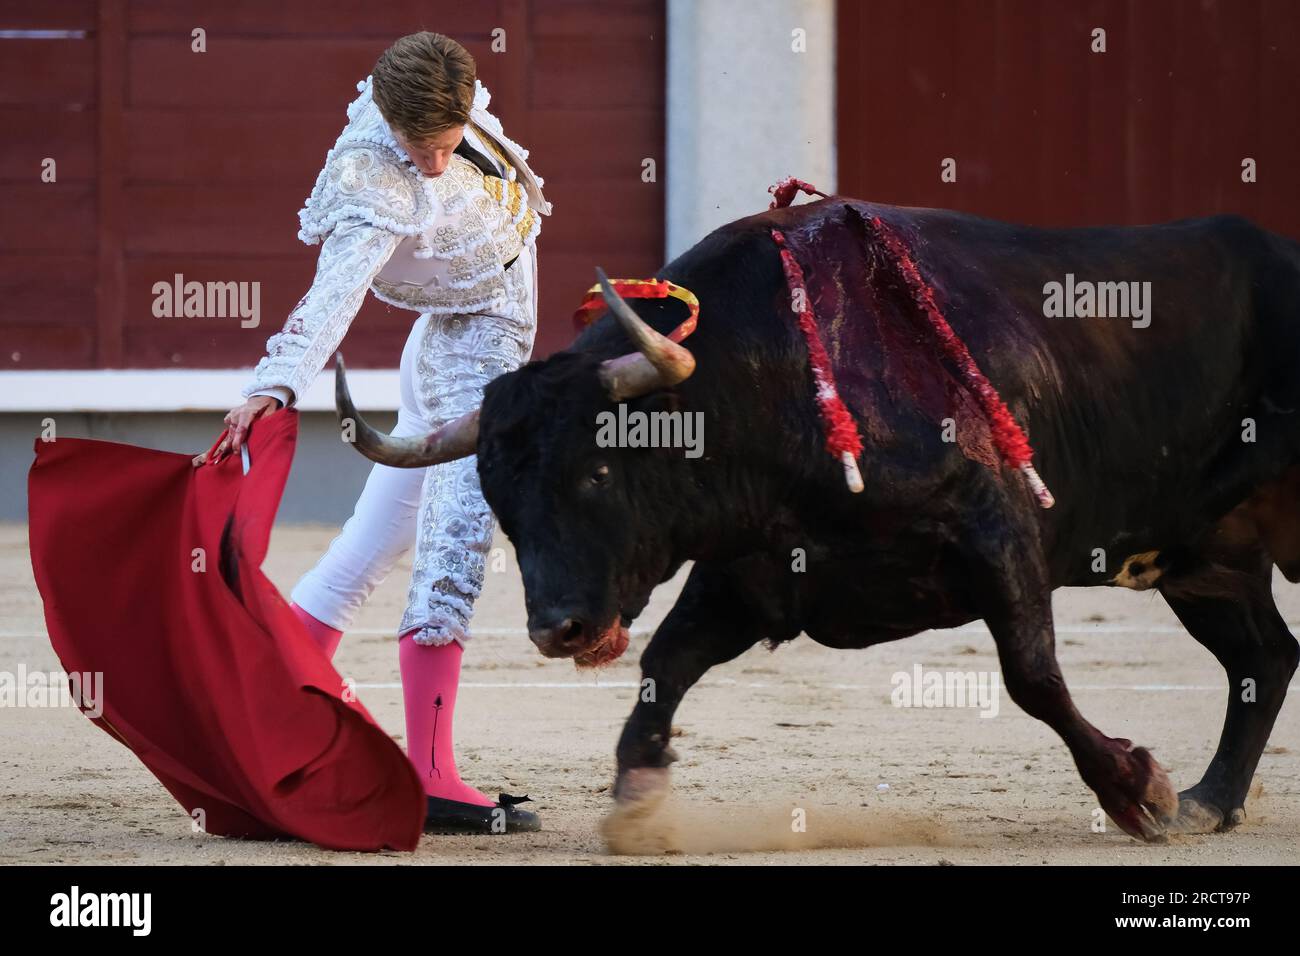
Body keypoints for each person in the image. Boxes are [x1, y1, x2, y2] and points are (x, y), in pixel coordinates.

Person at [194, 31, 550, 834]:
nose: (428, 163)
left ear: (465, 107)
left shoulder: (448, 93)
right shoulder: (373, 182)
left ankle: (262, 725)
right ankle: (430, 777)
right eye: (413, 146)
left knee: (368, 547)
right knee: (455, 546)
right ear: (386, 120)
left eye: (442, 144)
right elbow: (334, 295)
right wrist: (271, 386)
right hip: (468, 366)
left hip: (464, 339)